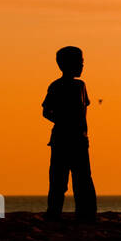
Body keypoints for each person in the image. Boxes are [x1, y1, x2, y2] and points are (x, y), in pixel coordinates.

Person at [42, 46, 97, 221]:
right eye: (80, 62)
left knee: (83, 179)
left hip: (80, 139)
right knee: (59, 179)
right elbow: (46, 111)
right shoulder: (56, 86)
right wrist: (63, 120)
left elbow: (84, 108)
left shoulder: (81, 85)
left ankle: (86, 213)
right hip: (62, 139)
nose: (82, 65)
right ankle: (54, 211)